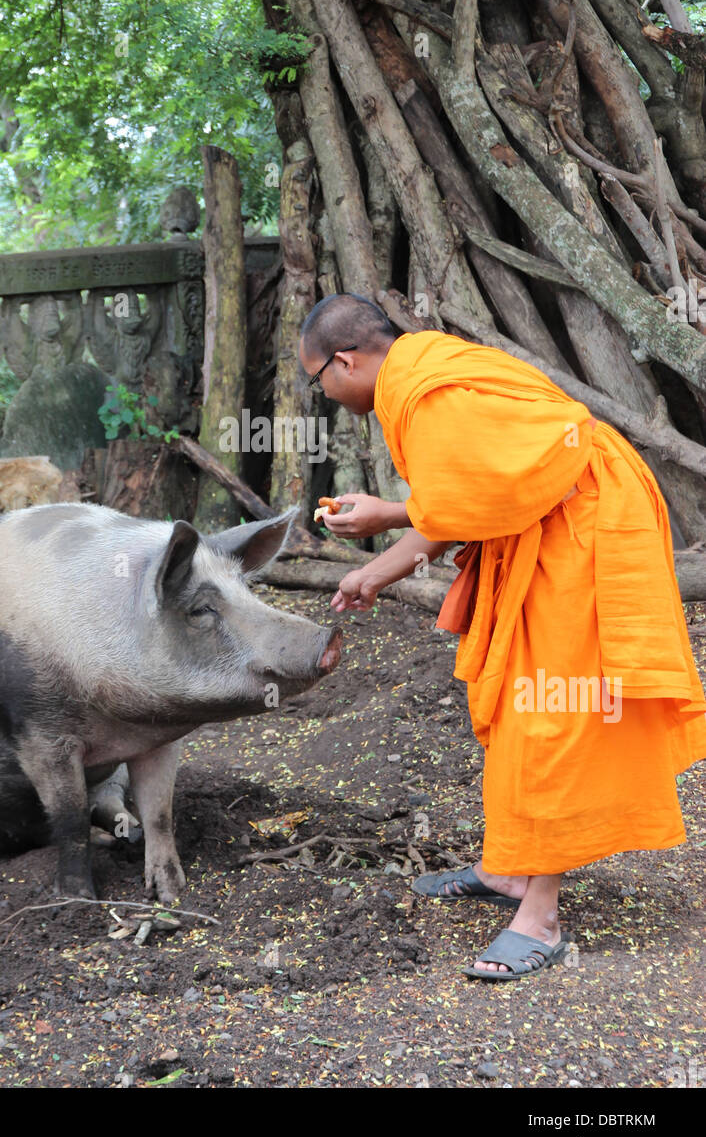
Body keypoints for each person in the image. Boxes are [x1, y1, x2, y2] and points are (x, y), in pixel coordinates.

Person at [298, 292, 706, 979]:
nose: (327, 395)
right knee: (519, 703)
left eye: (320, 382)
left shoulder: (429, 390)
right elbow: (480, 496)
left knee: (549, 710)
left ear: (345, 360)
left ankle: (541, 916)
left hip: (585, 524)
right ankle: (510, 868)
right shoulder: (423, 370)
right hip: (542, 518)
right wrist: (381, 555)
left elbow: (470, 500)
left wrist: (385, 532)